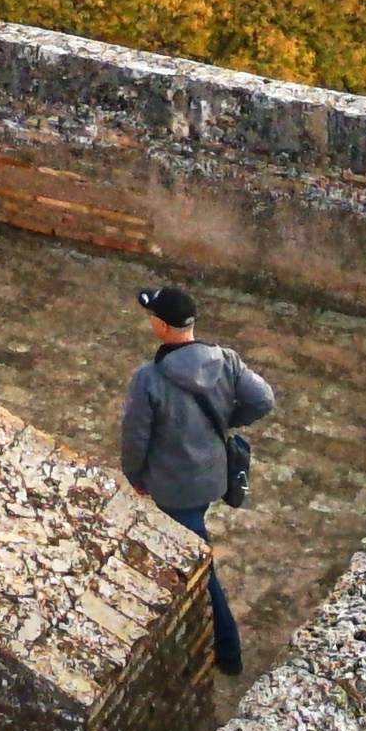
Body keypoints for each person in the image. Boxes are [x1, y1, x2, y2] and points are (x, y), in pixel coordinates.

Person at [119, 281, 277, 673]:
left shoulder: (149, 379)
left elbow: (135, 437)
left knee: (200, 568)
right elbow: (263, 400)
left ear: (162, 327)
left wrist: (134, 476)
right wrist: (226, 420)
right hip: (213, 476)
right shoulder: (225, 359)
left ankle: (228, 650)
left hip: (175, 486)